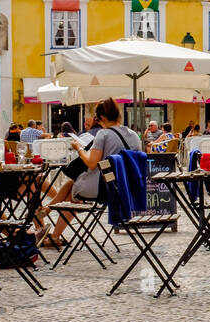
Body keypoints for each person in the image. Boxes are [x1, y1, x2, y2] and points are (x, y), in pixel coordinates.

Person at [40, 98, 142, 246]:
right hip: (126, 188)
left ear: (100, 117)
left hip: (104, 189)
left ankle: (48, 219)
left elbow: (92, 163)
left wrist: (79, 149)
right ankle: (52, 231)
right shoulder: (133, 134)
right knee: (72, 186)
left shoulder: (104, 134)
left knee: (72, 193)